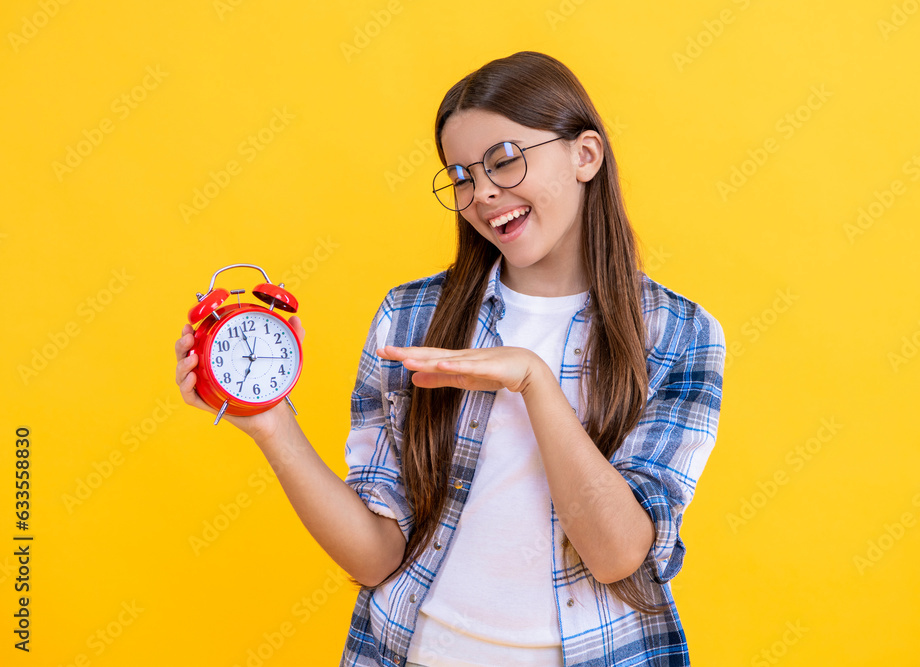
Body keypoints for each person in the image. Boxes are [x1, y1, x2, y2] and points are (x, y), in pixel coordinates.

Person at [175, 51, 725, 667]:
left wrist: (534, 381)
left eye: (505, 159)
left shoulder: (680, 334)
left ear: (585, 155)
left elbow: (617, 554)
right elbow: (377, 556)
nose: (483, 193)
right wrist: (272, 427)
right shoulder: (411, 316)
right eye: (462, 175)